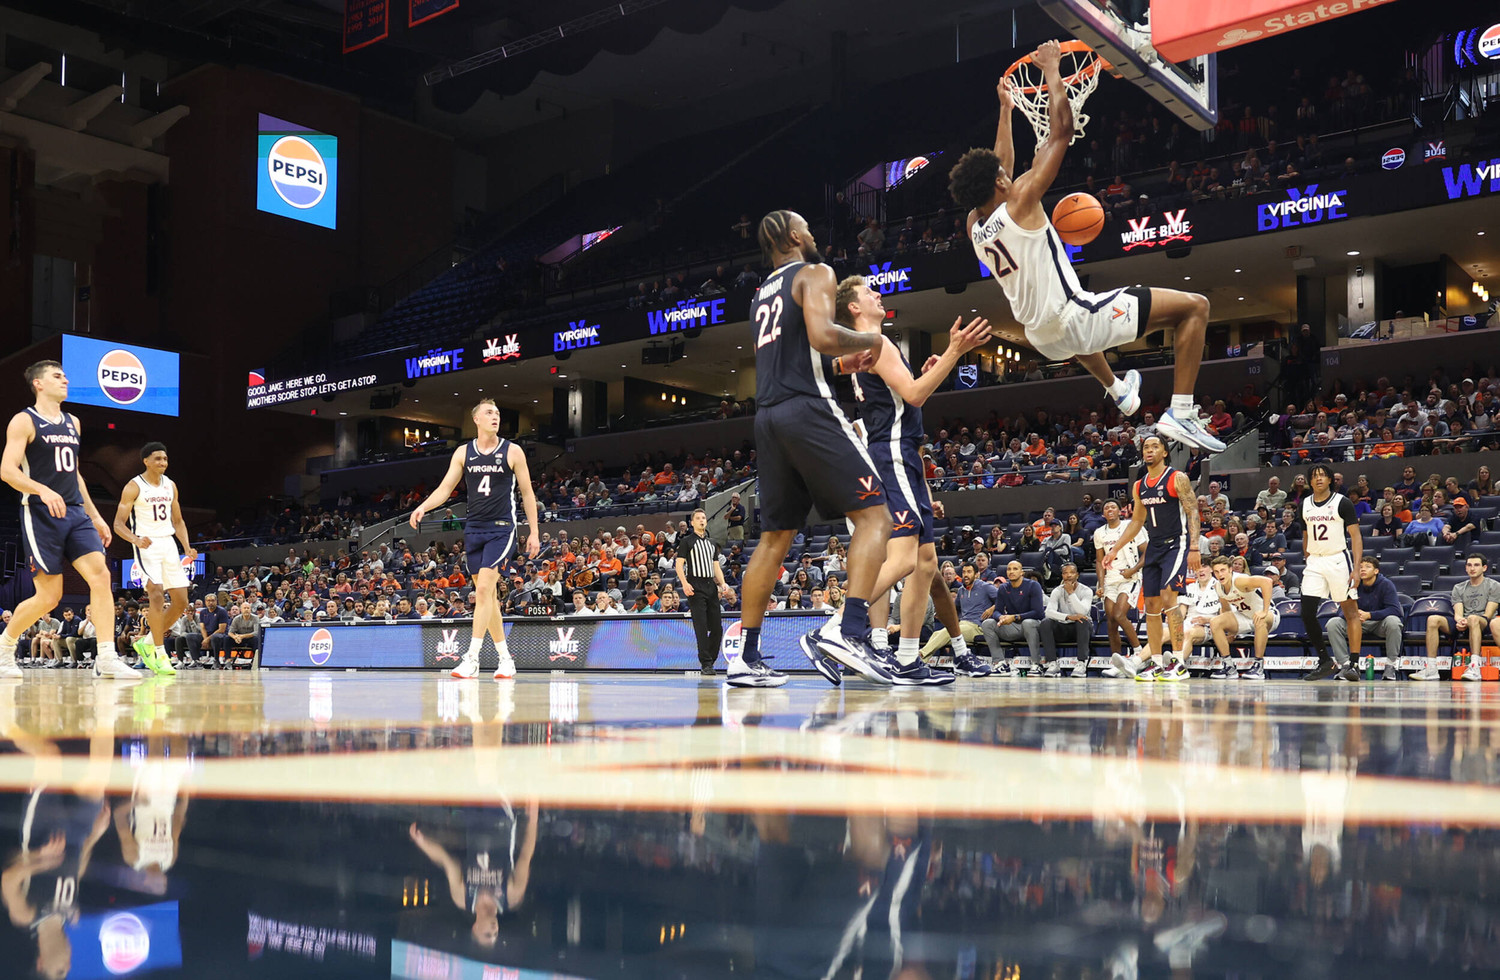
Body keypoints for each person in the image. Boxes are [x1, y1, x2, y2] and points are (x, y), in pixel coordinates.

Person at [949, 46, 1222, 452]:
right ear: (999, 185)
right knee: (1194, 306)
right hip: (1072, 318)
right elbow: (1061, 131)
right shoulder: (1021, 201)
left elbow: (999, 164)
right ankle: (1181, 412)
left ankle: (1118, 390)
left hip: (1041, 337)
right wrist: (1053, 71)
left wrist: (1007, 111)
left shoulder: (974, 225)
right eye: (1002, 176)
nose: (1008, 174)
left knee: (1080, 326)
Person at [733, 210, 893, 688]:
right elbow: (823, 336)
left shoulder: (761, 293)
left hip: (768, 416)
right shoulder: (816, 272)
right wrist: (872, 340)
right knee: (876, 516)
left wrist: (842, 365)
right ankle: (850, 632)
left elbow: (800, 358)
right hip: (808, 411)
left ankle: (746, 655)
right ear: (798, 236)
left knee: (774, 537)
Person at [838, 274, 992, 683]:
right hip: (892, 454)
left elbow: (908, 396)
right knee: (905, 557)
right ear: (854, 307)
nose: (877, 293)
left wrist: (933, 368)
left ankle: (907, 658)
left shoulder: (868, 347)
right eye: (869, 292)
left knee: (925, 562)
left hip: (897, 454)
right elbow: (915, 395)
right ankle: (839, 625)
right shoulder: (875, 342)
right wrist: (954, 352)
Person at [0, 360, 136, 678]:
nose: (65, 380)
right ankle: (5, 646)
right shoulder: (24, 421)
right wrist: (42, 490)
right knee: (49, 597)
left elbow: (75, 475)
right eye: (57, 376)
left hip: (75, 512)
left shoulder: (73, 422)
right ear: (39, 383)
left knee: (101, 578)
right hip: (40, 513)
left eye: (65, 375)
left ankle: (106, 656)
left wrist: (96, 516)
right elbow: (7, 470)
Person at [410, 399, 540, 680]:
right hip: (474, 529)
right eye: (489, 413)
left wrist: (534, 532)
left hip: (502, 528)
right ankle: (506, 659)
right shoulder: (462, 452)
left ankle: (472, 658)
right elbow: (446, 488)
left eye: (497, 413)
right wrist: (423, 507)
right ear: (476, 420)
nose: (495, 417)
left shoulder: (513, 451)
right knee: (488, 597)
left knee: (482, 590)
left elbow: (528, 493)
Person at [1102, 435, 1199, 681]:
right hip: (1154, 546)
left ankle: (1177, 662)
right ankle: (1156, 663)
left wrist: (1195, 547)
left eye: (1155, 446)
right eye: (1146, 447)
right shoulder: (1140, 485)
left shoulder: (1177, 478)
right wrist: (1115, 549)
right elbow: (1136, 521)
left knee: (1169, 597)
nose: (1149, 450)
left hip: (1177, 543)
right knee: (1152, 607)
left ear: (1165, 452)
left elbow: (1193, 510)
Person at [111, 442, 195, 677]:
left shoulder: (171, 486)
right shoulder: (134, 486)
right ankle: (159, 652)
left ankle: (147, 642)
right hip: (146, 545)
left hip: (168, 543)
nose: (163, 463)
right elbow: (118, 524)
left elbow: (178, 521)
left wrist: (187, 546)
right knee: (156, 593)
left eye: (165, 459)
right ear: (145, 461)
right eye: (157, 458)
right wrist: (136, 540)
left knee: (181, 601)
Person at [409, 800, 539, 949]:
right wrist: (533, 820)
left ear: (475, 928)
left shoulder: (462, 898)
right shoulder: (512, 897)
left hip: (472, 823)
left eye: (488, 934)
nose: (494, 930)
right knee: (491, 779)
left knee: (475, 780)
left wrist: (422, 842)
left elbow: (447, 862)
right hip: (501, 820)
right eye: (496, 934)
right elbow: (526, 856)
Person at [1299, 464, 1363, 681]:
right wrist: (1307, 556)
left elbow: (1355, 536)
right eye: (1314, 476)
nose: (1318, 479)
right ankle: (1325, 661)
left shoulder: (1341, 502)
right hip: (1315, 562)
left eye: (1322, 476)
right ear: (1310, 481)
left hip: (1338, 559)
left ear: (1329, 480)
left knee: (1350, 612)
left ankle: (1354, 664)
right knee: (1307, 612)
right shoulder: (1305, 503)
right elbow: (1306, 533)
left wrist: (1356, 568)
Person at [1418, 553, 1500, 682]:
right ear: (1466, 568)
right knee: (1433, 619)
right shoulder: (1459, 587)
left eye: (1476, 565)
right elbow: (1458, 613)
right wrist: (1460, 620)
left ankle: (1475, 667)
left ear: (1484, 568)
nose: (1472, 568)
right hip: (1465, 622)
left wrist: (1469, 620)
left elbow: (1488, 614)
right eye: (1469, 565)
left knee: (1473, 618)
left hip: (1484, 622)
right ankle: (1431, 669)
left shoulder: (1494, 585)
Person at [676, 508, 735, 674]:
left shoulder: (711, 543)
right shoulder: (686, 541)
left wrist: (723, 583)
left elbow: (715, 566)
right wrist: (685, 583)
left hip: (711, 585)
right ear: (692, 522)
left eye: (704, 518)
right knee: (701, 626)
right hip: (695, 584)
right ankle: (706, 663)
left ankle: (711, 659)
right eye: (698, 518)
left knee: (717, 627)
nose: (702, 520)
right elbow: (679, 565)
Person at [1327, 556, 1404, 681]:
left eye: (1367, 567)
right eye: (1360, 567)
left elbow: (1395, 610)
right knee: (1333, 623)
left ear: (1376, 571)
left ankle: (1391, 666)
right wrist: (1353, 615)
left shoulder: (1386, 584)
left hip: (1378, 623)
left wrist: (1370, 615)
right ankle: (1346, 666)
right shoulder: (1352, 584)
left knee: (1394, 622)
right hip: (1356, 624)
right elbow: (1341, 610)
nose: (1362, 569)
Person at [1093, 499, 1146, 675]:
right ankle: (1117, 663)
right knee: (1111, 621)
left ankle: (1140, 655)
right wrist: (1101, 584)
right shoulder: (1099, 533)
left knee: (1119, 614)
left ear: (1120, 511)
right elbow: (1100, 561)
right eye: (1106, 507)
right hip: (1110, 580)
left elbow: (1148, 552)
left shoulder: (1132, 526)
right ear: (1103, 514)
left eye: (1113, 507)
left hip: (1130, 577)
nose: (1109, 509)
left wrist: (1133, 570)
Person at [1202, 556, 1276, 680]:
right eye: (1216, 571)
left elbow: (1267, 582)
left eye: (1223, 570)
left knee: (1259, 620)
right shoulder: (1218, 587)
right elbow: (1226, 610)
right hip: (1245, 616)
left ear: (1230, 570)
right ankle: (1229, 666)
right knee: (1215, 621)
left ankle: (1259, 666)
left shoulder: (1239, 580)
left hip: (1269, 615)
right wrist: (1231, 631)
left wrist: (1264, 610)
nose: (1220, 574)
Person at [980, 560, 1045, 675]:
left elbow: (1039, 613)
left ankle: (1036, 664)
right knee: (987, 624)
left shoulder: (1033, 585)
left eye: (1015, 569)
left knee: (1028, 623)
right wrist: (1001, 617)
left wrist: (1015, 617)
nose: (1011, 572)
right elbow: (997, 611)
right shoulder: (1003, 588)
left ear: (1022, 573)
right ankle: (1000, 663)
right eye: (1009, 569)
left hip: (1032, 626)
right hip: (1013, 627)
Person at [1041, 562, 1095, 678]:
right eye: (1065, 573)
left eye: (1072, 572)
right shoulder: (1057, 591)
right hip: (1063, 627)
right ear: (1062, 576)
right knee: (1045, 623)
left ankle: (1081, 663)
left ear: (1077, 575)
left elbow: (1082, 612)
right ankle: (1052, 663)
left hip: (1081, 629)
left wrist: (1071, 593)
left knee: (1082, 621)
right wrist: (1068, 617)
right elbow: (1049, 612)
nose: (1068, 575)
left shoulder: (1086, 591)